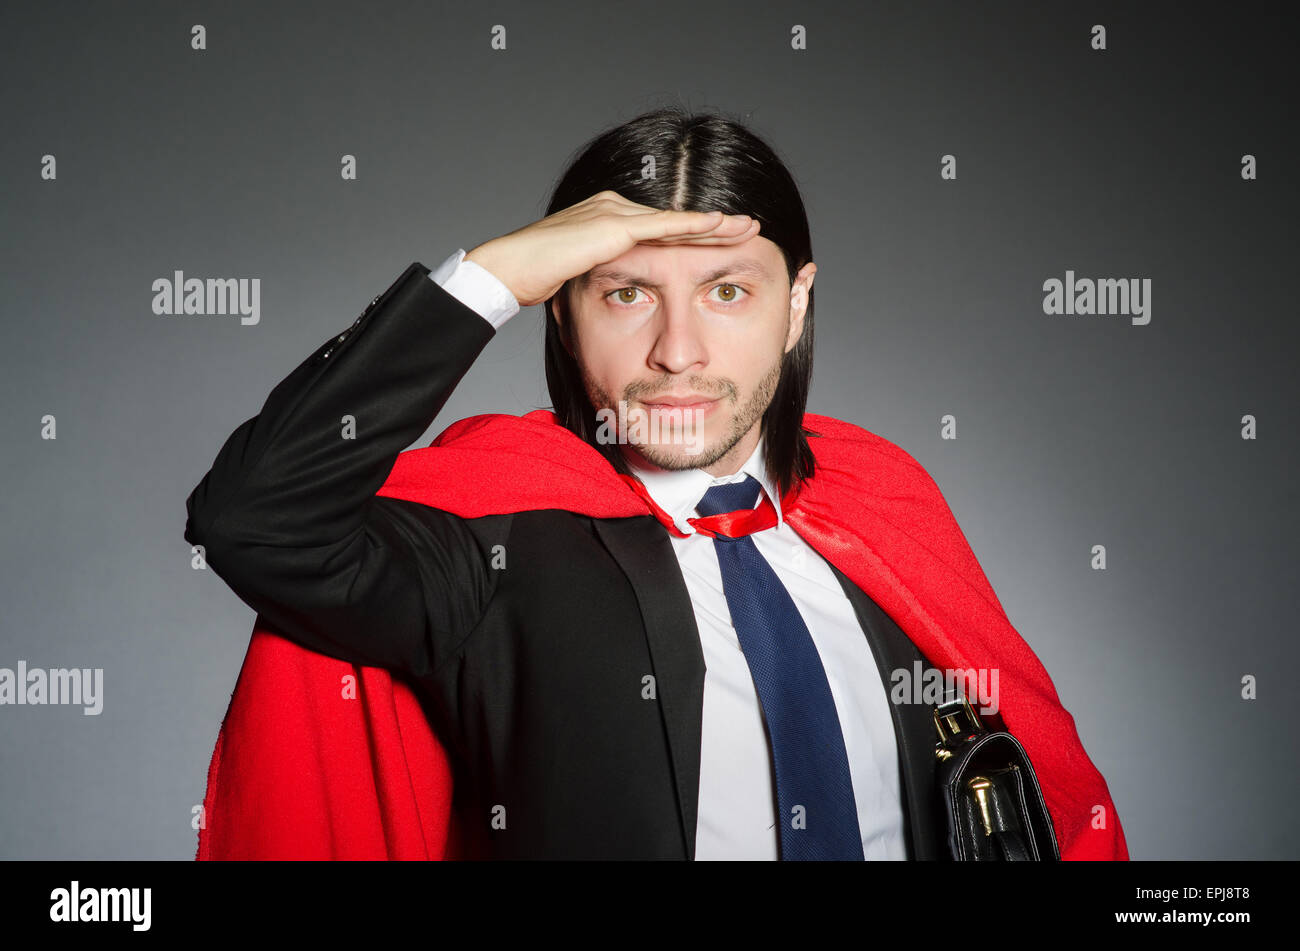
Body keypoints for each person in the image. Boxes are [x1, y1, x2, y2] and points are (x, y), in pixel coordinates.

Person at [184, 107, 1128, 861]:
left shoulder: (880, 501)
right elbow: (253, 520)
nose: (677, 353)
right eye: (625, 294)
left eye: (728, 292)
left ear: (795, 307)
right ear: (562, 316)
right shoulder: (491, 542)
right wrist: (493, 276)